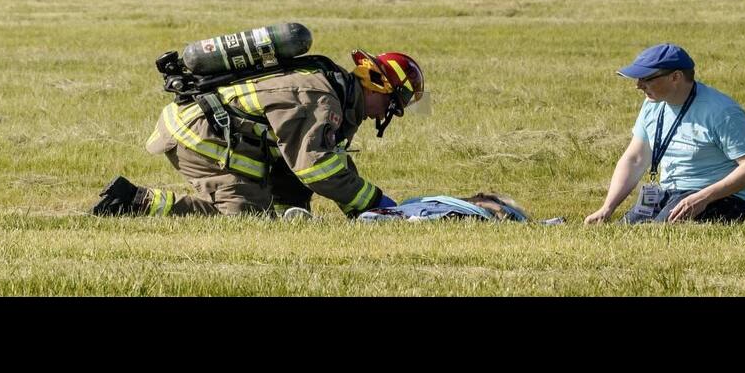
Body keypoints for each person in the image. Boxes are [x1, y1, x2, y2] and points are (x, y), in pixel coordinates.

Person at [92, 49, 425, 219]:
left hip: (218, 129)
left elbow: (327, 158)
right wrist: (375, 203)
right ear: (377, 85)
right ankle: (133, 201)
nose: (387, 114)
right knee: (245, 219)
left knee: (273, 207)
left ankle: (282, 214)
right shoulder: (321, 98)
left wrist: (360, 209)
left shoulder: (335, 91)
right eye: (392, 104)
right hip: (201, 135)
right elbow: (316, 167)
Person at [584, 43, 745, 225]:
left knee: (656, 235)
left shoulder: (722, 112)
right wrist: (607, 208)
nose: (638, 86)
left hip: (720, 198)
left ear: (675, 77)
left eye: (646, 78)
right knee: (624, 232)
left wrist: (703, 198)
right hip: (667, 193)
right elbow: (635, 159)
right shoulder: (652, 105)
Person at [358, 192, 542, 222]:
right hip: (432, 204)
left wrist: (494, 206)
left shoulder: (494, 206)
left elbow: (517, 221)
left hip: (446, 209)